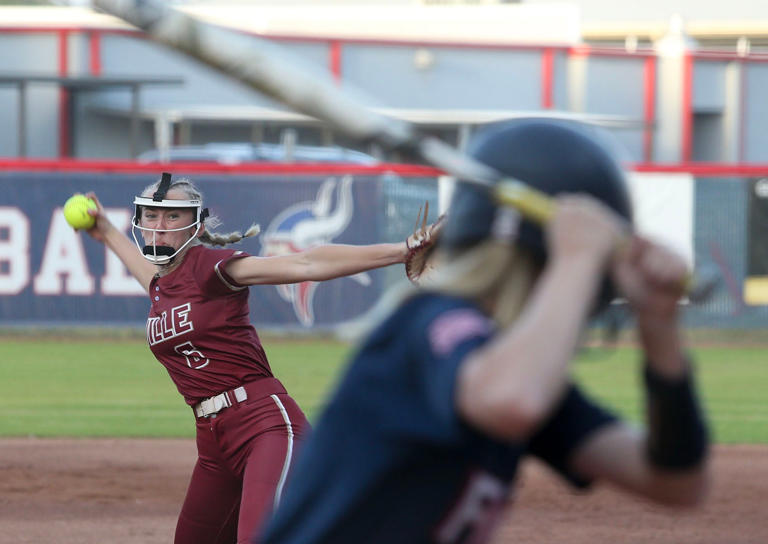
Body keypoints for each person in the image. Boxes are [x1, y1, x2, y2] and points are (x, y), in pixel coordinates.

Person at [257, 119, 711, 544]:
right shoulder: (427, 322)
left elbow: (677, 483)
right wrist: (577, 258)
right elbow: (512, 401)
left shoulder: (512, 371)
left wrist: (659, 327)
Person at [78, 173, 430, 544]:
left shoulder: (211, 268)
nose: (159, 227)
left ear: (194, 226)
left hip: (266, 427)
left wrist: (402, 249)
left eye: (172, 217)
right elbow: (147, 274)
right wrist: (105, 231)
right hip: (213, 443)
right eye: (151, 216)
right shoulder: (162, 286)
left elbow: (306, 265)